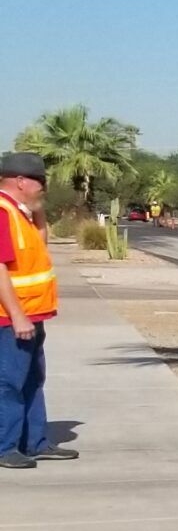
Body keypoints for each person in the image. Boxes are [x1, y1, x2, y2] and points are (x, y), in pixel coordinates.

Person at [0, 151, 73, 470]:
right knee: (9, 382)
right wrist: (17, 315)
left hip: (31, 314)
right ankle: (5, 447)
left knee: (32, 379)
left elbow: (40, 245)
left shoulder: (21, 213)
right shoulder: (2, 212)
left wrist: (39, 211)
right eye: (40, 180)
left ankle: (35, 441)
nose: (44, 186)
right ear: (20, 181)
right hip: (10, 319)